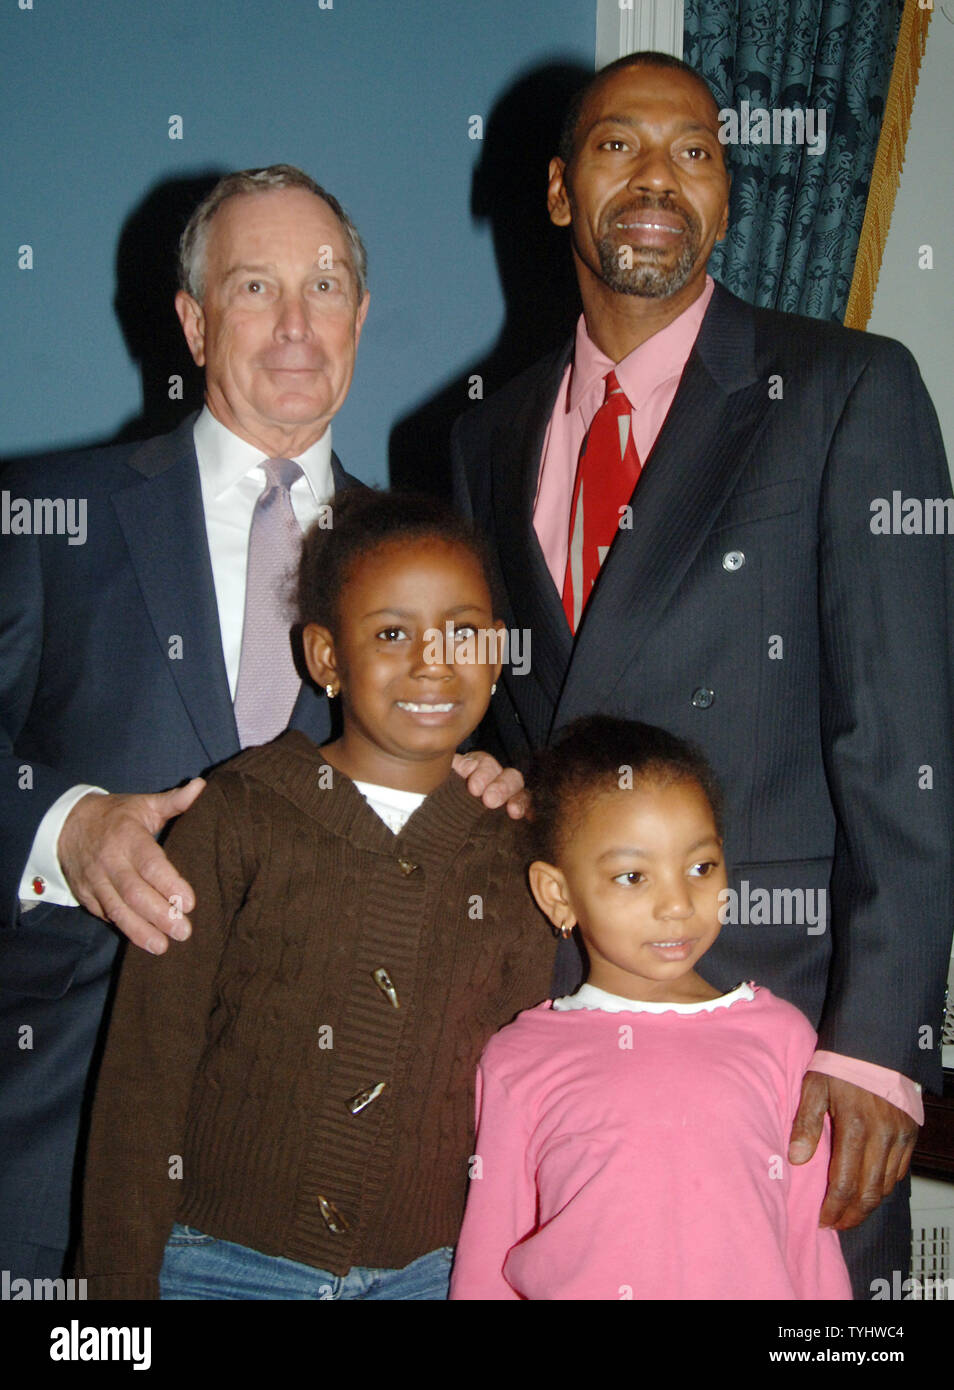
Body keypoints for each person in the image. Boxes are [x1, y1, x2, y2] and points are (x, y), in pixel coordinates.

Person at [451, 52, 954, 1296]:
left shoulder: (848, 391)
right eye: (621, 146)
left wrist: (881, 1047)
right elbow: (525, 725)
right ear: (562, 191)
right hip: (553, 1041)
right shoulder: (476, 436)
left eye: (697, 149)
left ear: (727, 192)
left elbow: (908, 745)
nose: (660, 177)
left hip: (784, 1051)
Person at [0, 166, 514, 1282]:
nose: (295, 324)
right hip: (63, 1136)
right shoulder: (49, 519)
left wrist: (506, 794)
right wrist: (65, 834)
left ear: (361, 318)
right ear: (191, 321)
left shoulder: (433, 566)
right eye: (253, 287)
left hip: (342, 1209)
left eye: (325, 286)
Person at [76, 490, 552, 1300]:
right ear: (326, 657)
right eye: (393, 633)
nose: (434, 661)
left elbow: (523, 1094)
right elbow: (146, 1072)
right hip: (215, 1264)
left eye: (463, 632)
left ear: (500, 648)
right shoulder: (239, 816)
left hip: (433, 1275)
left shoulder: (519, 854)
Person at [450, 716, 853, 1300]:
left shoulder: (781, 1039)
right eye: (633, 875)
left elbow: (811, 1250)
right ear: (558, 894)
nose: (677, 905)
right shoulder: (518, 1058)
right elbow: (489, 1255)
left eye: (700, 868)